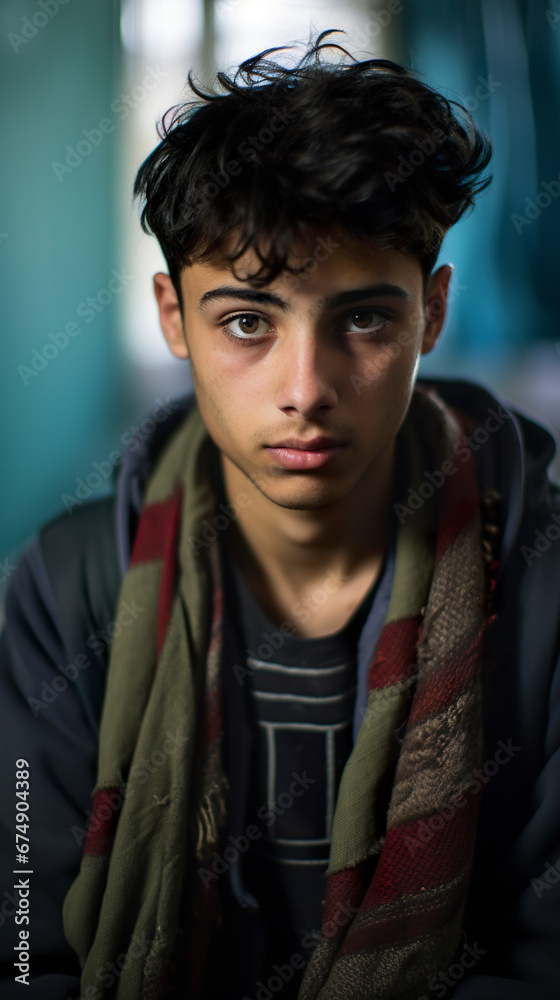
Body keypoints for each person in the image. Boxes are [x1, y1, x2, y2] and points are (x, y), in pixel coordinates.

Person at [1, 29, 559, 1000]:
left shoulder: (543, 585)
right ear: (173, 317)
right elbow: (22, 950)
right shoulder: (68, 587)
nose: (306, 389)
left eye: (363, 319)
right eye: (248, 321)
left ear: (431, 314)